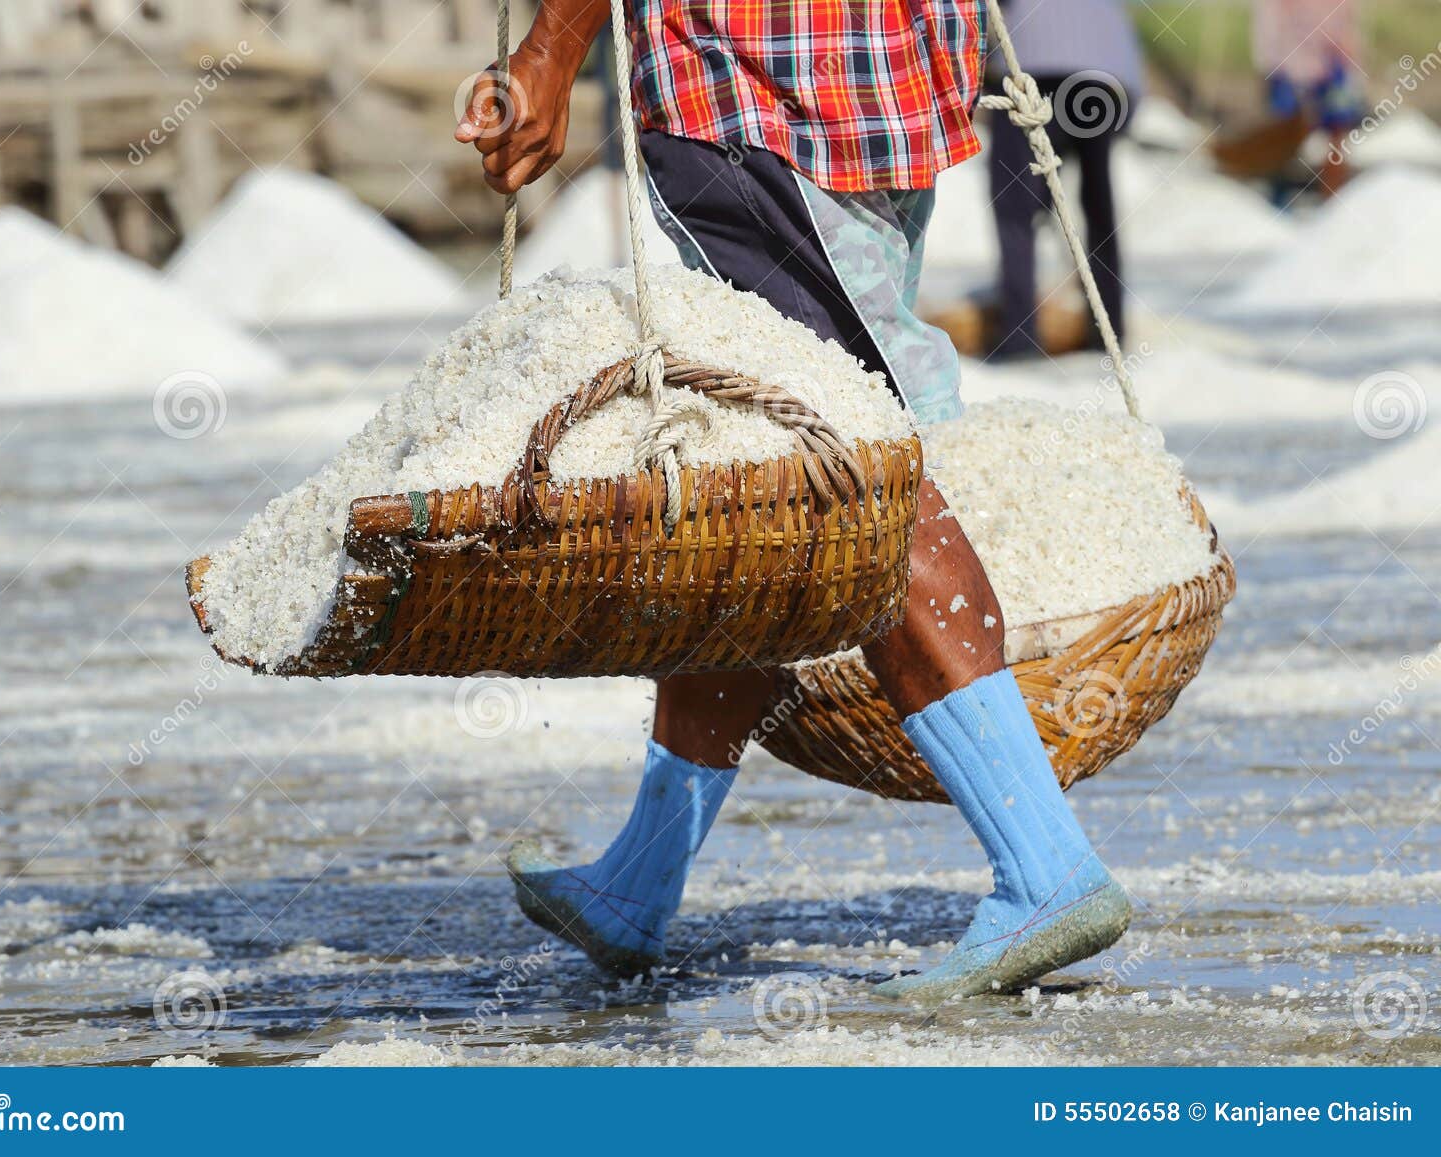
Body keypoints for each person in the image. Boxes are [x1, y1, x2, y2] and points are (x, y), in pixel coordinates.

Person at [456, 0, 1130, 1003]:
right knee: (766, 465)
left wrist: (553, 50)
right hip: (868, 72)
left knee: (836, 457)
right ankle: (640, 875)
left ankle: (1044, 863)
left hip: (759, 76)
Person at [986, 0, 1142, 361]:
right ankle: (1109, 329)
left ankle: (1020, 333)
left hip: (1029, 65)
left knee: (1014, 208)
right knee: (1098, 205)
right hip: (1103, 72)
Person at [1253, 0, 1364, 195]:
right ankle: (1278, 196)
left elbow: (1346, 31)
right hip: (1286, 67)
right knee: (1283, 130)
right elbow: (1269, 34)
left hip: (1330, 67)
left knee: (1339, 132)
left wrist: (1346, 66)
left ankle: (1333, 200)